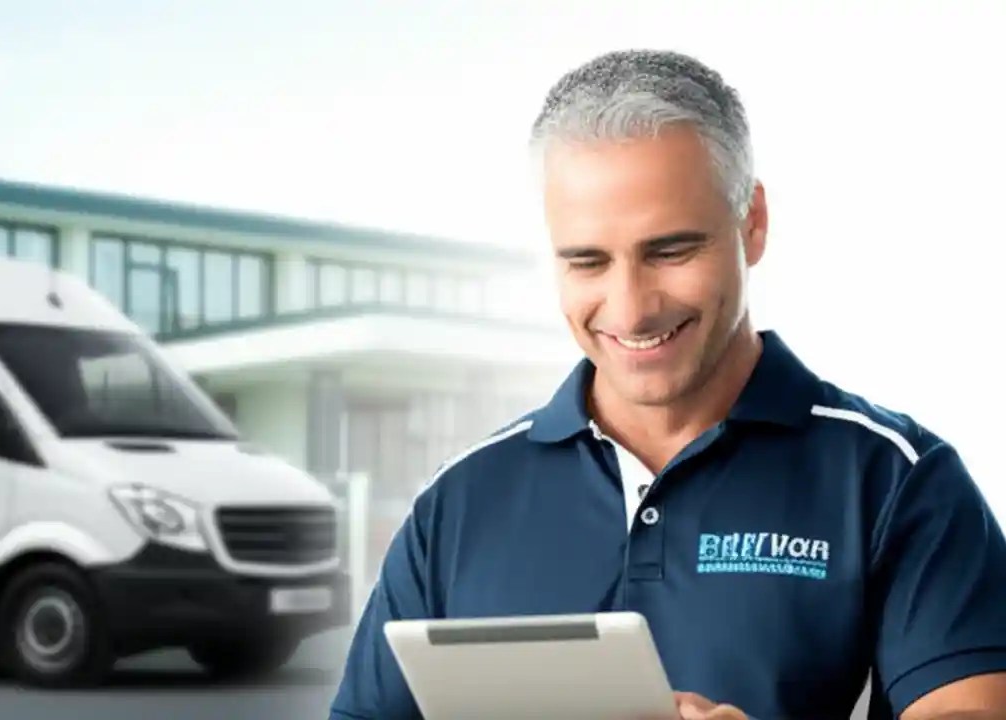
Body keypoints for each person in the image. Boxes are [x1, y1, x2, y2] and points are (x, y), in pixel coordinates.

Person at [328, 49, 1006, 719]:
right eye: (587, 262)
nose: (631, 310)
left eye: (671, 251)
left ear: (753, 223)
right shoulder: (459, 501)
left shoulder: (895, 478)